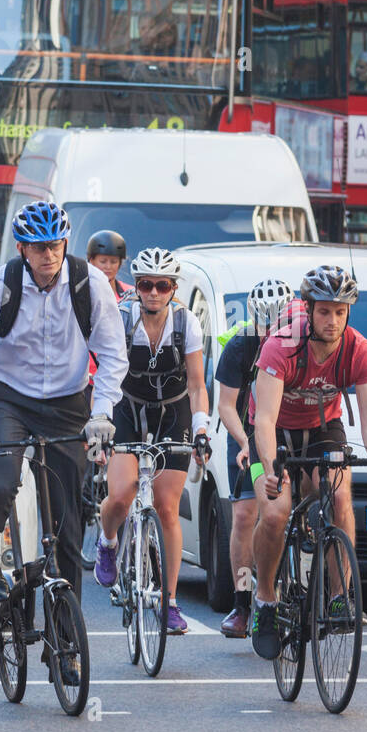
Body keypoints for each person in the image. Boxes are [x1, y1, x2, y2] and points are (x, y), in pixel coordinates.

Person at [0, 201, 128, 630]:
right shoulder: (0, 286)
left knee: (66, 530)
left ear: (66, 244)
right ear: (23, 250)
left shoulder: (90, 283)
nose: (49, 255)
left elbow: (114, 354)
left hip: (67, 404)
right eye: (39, 247)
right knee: (3, 481)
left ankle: (67, 641)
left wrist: (101, 413)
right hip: (9, 399)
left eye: (56, 245)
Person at [248, 266, 367, 659]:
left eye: (340, 311)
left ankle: (338, 596)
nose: (333, 321)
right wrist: (269, 470)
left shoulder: (360, 350)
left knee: (339, 495)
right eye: (324, 311)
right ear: (309, 310)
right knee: (277, 512)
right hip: (273, 431)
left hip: (322, 427)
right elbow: (263, 419)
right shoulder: (281, 345)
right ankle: (264, 599)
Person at [92, 248, 210, 633]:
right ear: (137, 287)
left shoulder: (186, 322)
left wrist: (203, 428)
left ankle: (169, 603)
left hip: (173, 413)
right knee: (122, 494)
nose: (154, 293)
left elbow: (196, 384)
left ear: (173, 289)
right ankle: (108, 543)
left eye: (162, 286)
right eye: (146, 285)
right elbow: (106, 374)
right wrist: (99, 423)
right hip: (128, 408)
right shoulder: (121, 319)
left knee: (166, 507)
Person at [213, 278, 294, 637]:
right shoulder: (240, 346)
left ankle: (306, 588)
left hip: (289, 430)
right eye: (264, 324)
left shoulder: (298, 342)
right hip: (245, 431)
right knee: (245, 514)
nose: (270, 333)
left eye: (279, 323)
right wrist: (243, 440)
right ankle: (243, 602)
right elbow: (226, 405)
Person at [85, 230, 131, 300]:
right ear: (91, 261)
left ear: (120, 263)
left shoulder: (130, 294)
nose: (108, 267)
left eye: (114, 262)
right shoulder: (80, 293)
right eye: (103, 261)